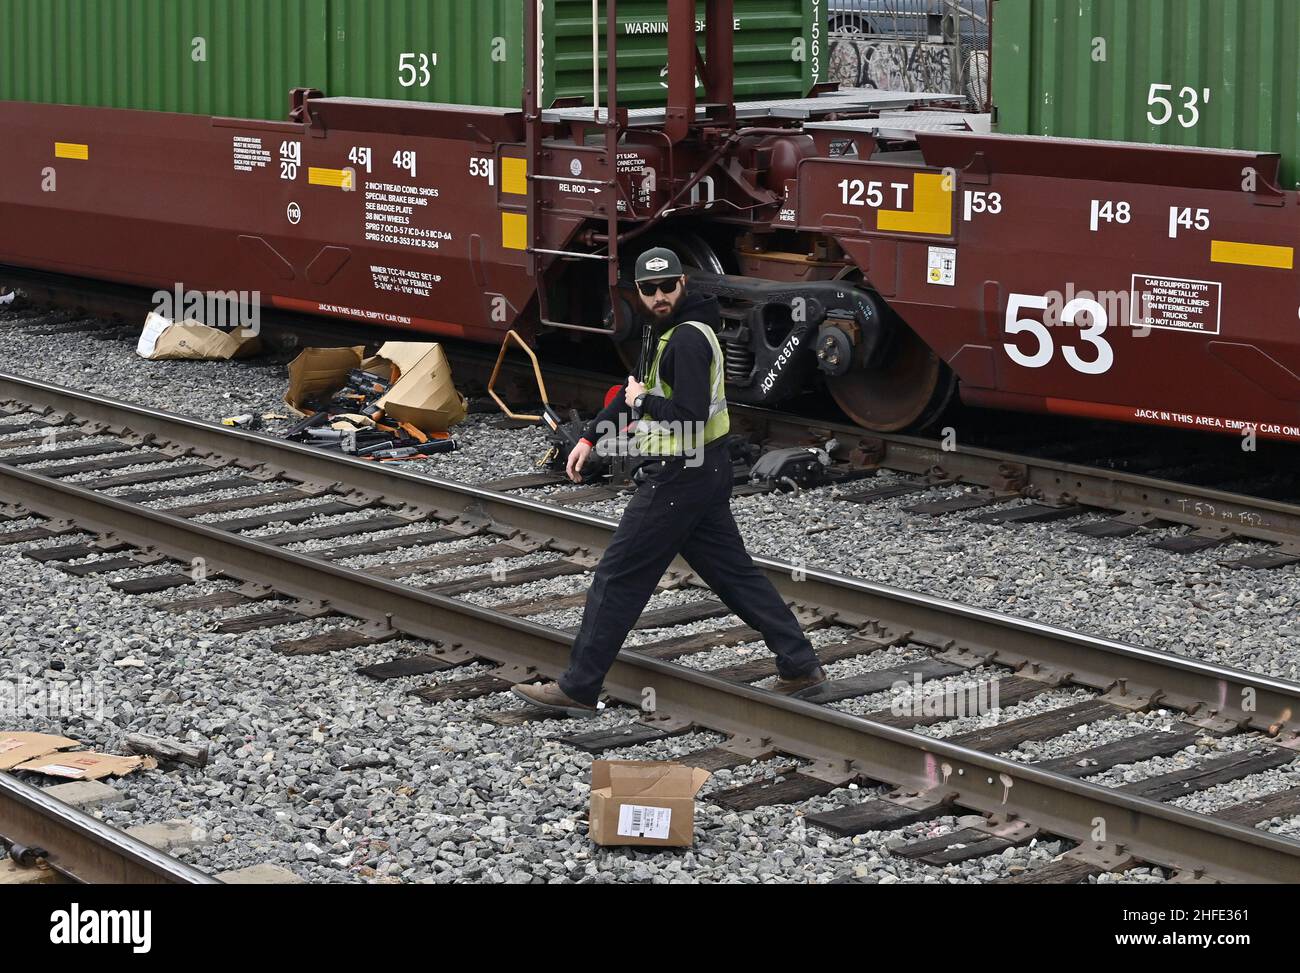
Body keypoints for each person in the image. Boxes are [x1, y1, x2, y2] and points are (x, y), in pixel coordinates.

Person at [512, 247, 826, 717]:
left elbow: (687, 414)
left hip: (679, 475)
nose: (658, 296)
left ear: (682, 284)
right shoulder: (663, 331)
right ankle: (800, 665)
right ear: (638, 292)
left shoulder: (687, 340)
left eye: (666, 286)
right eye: (649, 289)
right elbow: (631, 389)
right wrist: (591, 437)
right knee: (734, 575)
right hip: (703, 473)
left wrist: (641, 404)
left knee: (618, 577)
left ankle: (578, 688)